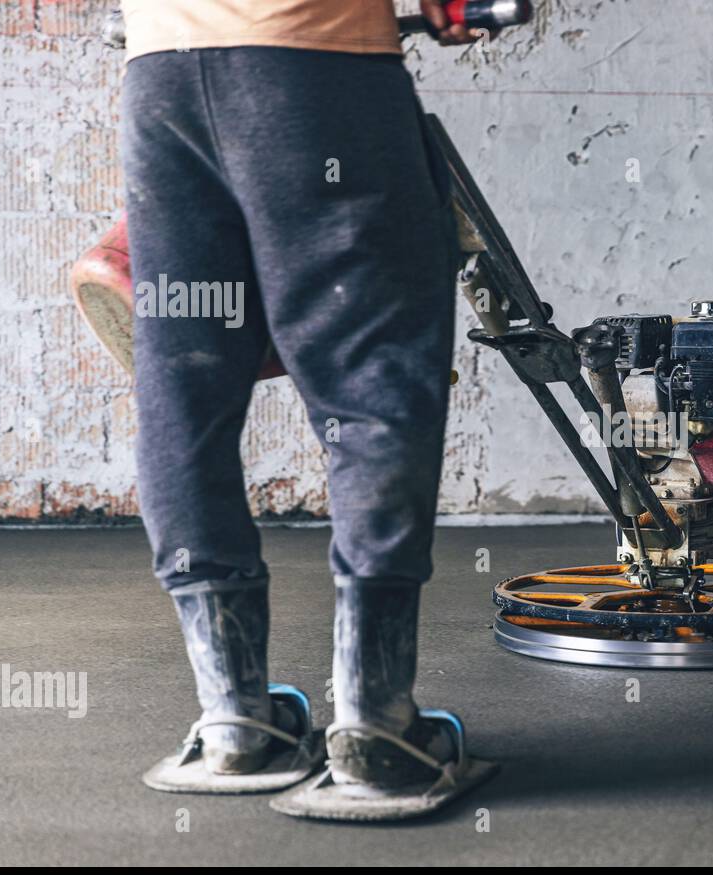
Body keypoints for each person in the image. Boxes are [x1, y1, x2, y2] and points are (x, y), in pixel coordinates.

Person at [124, 0, 491, 817]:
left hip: (162, 80)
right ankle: (375, 725)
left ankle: (234, 722)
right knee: (374, 377)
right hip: (314, 69)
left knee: (185, 380)